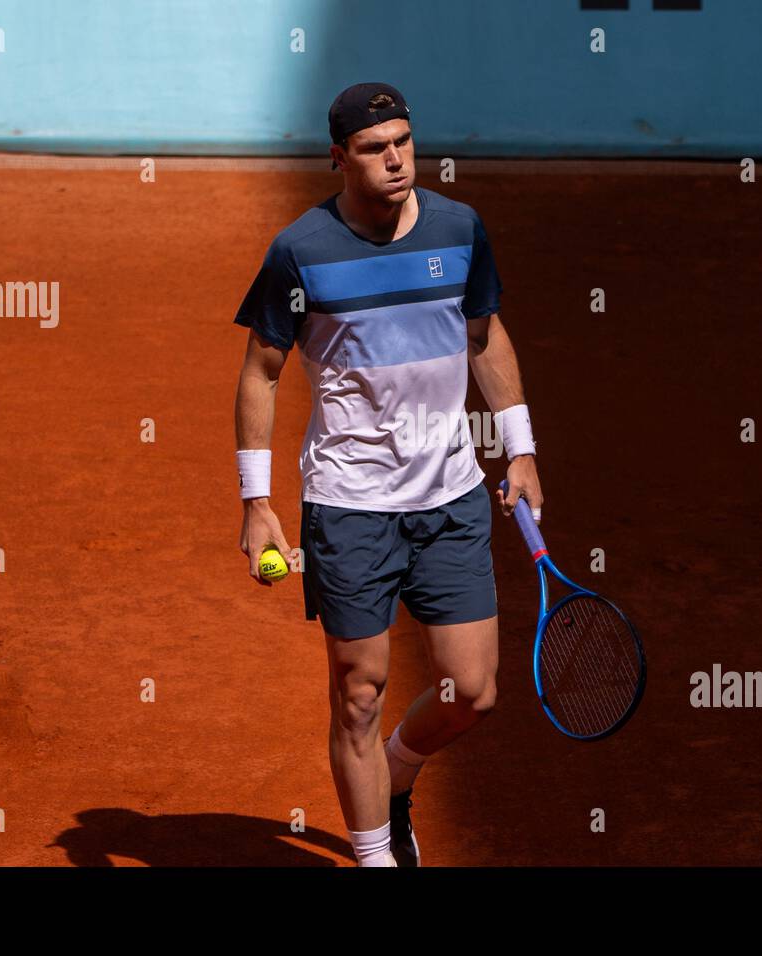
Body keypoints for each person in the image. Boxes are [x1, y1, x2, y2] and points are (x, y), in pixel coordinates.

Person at [233, 82, 543, 867]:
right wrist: (257, 502)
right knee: (358, 694)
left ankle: (400, 769)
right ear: (339, 158)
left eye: (403, 141)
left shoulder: (458, 229)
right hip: (350, 507)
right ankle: (376, 858)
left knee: (473, 691)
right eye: (374, 148)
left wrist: (522, 448)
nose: (395, 158)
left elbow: (483, 335)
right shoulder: (300, 251)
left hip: (450, 497)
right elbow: (262, 372)